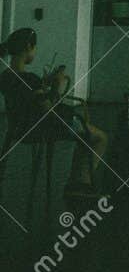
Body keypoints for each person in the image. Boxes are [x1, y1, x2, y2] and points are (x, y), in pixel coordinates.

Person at [1, 28, 109, 200]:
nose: (35, 52)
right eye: (35, 48)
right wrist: (56, 86)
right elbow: (49, 110)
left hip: (18, 129)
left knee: (83, 131)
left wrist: (44, 85)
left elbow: (28, 98)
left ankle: (78, 184)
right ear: (29, 47)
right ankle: (80, 184)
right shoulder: (31, 79)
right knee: (99, 137)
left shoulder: (6, 77)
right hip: (43, 129)